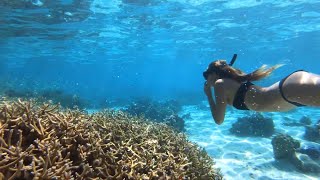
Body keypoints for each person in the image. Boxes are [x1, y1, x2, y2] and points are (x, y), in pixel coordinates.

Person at [203, 54, 320, 125]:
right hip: (291, 93)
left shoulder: (220, 84)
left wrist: (209, 95)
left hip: (289, 91)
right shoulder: (231, 83)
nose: (206, 79)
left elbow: (219, 120)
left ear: (213, 74)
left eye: (205, 75)